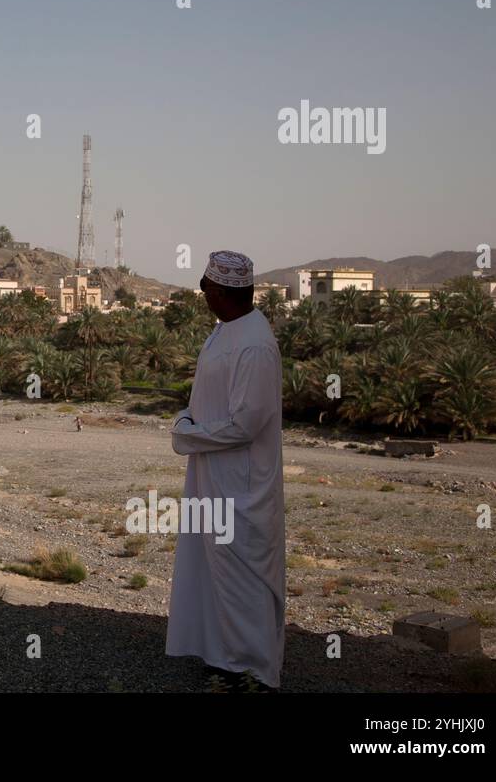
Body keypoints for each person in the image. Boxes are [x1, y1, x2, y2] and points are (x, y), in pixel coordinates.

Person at [165, 250, 285, 689]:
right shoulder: (227, 330)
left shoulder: (254, 344)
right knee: (213, 567)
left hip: (241, 484)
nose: (203, 295)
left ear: (219, 291)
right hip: (214, 474)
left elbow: (245, 424)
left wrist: (188, 433)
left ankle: (251, 670)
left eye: (205, 288)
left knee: (241, 572)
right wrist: (189, 422)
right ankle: (223, 656)